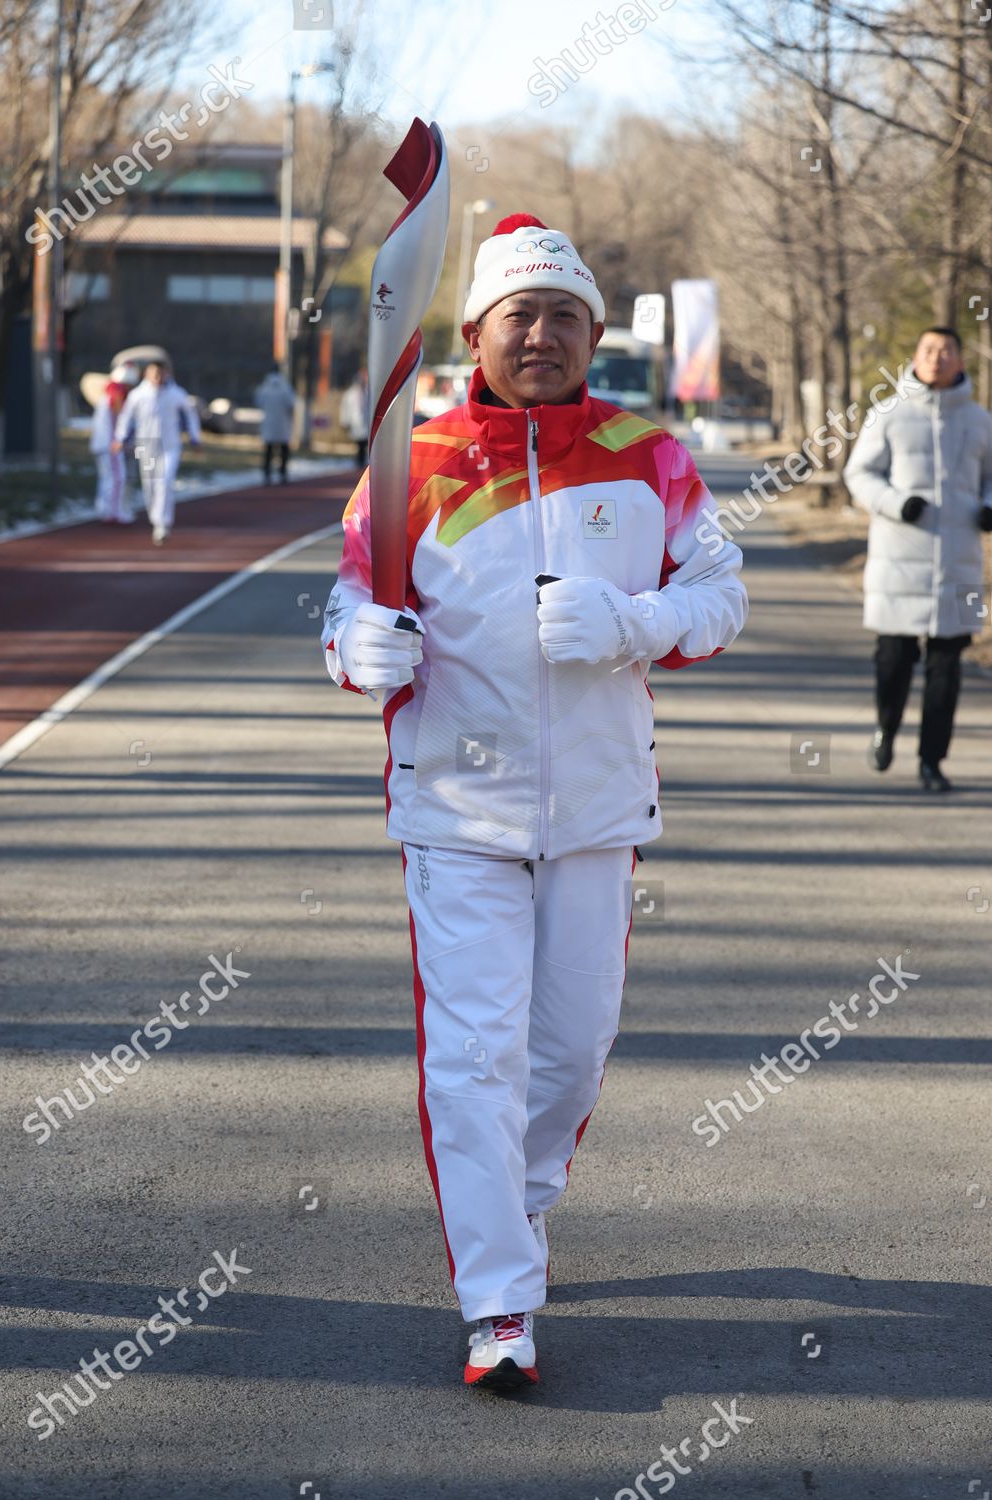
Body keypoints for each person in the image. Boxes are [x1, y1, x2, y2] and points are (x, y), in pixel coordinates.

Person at [321, 213, 747, 1392]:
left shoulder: (647, 455)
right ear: (476, 333)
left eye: (566, 316)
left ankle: (518, 1204)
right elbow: (348, 604)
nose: (543, 335)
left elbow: (719, 597)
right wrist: (358, 646)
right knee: (475, 1059)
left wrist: (635, 622)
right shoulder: (412, 460)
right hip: (457, 810)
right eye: (522, 314)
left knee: (567, 1054)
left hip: (598, 813)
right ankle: (498, 1305)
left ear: (594, 335)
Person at [845, 326, 992, 792]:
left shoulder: (980, 420)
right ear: (915, 357)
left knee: (947, 670)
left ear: (961, 361)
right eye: (929, 349)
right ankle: (886, 728)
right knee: (893, 661)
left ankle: (932, 761)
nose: (937, 357)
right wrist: (896, 504)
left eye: (947, 350)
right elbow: (858, 473)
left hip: (960, 566)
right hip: (898, 561)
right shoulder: (888, 413)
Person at [113, 360, 201, 545]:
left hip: (170, 446)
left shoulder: (176, 394)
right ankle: (155, 520)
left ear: (167, 374)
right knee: (150, 485)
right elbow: (126, 417)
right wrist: (120, 438)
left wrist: (194, 437)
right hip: (145, 446)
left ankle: (162, 523)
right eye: (154, 374)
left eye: (161, 374)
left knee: (165, 482)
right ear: (146, 374)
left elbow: (190, 415)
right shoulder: (138, 395)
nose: (158, 378)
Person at [89, 364, 138, 523]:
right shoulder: (116, 395)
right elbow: (117, 421)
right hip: (110, 445)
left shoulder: (107, 394)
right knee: (118, 478)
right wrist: (121, 441)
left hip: (101, 443)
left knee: (106, 477)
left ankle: (103, 508)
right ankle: (114, 512)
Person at [255, 366, 296, 483]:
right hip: (283, 423)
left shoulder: (264, 387)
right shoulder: (285, 387)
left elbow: (259, 402)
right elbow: (291, 404)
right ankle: (283, 473)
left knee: (268, 450)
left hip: (269, 422)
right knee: (283, 449)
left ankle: (267, 473)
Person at [339, 366, 369, 466]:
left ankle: (361, 461)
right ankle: (359, 462)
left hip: (365, 423)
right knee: (360, 444)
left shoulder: (367, 393)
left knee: (363, 444)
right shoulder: (350, 394)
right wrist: (344, 421)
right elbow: (345, 408)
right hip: (355, 423)